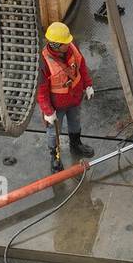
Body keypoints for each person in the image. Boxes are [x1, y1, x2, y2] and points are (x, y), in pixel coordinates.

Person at [36, 21, 95, 172]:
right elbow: (41, 91)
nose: (68, 44)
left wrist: (88, 85)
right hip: (57, 107)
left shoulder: (72, 48)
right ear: (55, 45)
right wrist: (48, 111)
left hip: (74, 99)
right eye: (64, 43)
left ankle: (76, 144)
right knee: (53, 133)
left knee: (75, 123)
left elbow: (82, 66)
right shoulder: (43, 62)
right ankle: (55, 157)